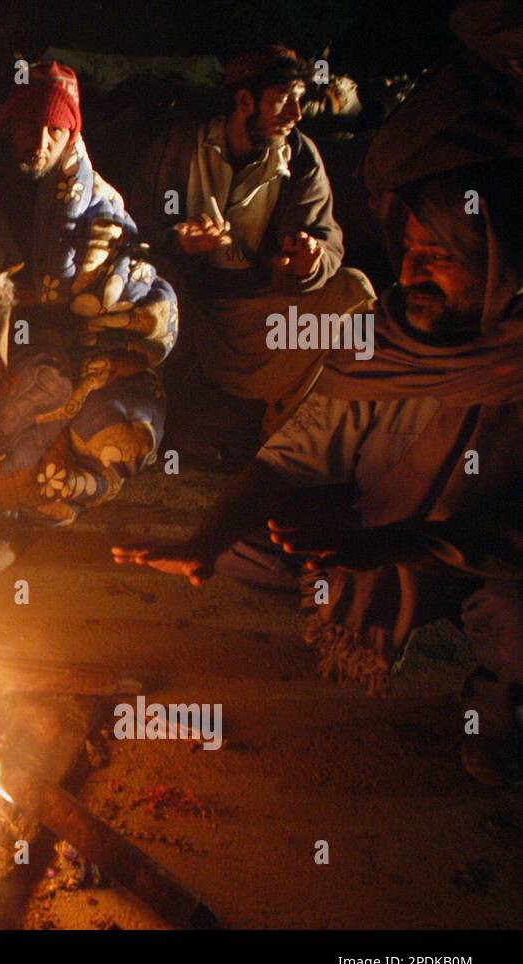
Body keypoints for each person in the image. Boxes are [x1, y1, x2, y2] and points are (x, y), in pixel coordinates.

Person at [114, 163, 523, 784]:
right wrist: (206, 540)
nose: (411, 273)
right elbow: (290, 457)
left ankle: (497, 706)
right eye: (409, 250)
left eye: (438, 257)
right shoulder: (383, 343)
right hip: (374, 541)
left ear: (499, 265)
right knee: (246, 543)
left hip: (481, 563)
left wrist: (395, 544)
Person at [0, 61, 176, 531]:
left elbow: (129, 280)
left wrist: (79, 308)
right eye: (29, 127)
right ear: (8, 127)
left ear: (71, 135)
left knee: (116, 433)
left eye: (55, 130)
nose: (41, 143)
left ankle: (19, 490)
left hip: (81, 349)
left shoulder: (99, 204)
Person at [131, 44, 375, 469]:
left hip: (258, 313)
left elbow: (325, 237)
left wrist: (309, 266)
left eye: (300, 99)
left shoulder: (299, 157)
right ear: (245, 101)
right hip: (191, 308)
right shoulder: (180, 144)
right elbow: (136, 228)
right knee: (153, 285)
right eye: (284, 100)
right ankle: (159, 423)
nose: (296, 113)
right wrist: (181, 243)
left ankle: (282, 439)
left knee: (354, 293)